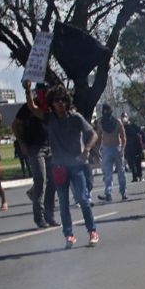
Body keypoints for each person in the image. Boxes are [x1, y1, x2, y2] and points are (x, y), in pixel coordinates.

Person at [23, 82, 100, 247]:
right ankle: (69, 235)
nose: (59, 103)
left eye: (62, 100)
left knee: (83, 199)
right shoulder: (49, 119)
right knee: (63, 203)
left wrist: (86, 149)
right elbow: (32, 107)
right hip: (59, 167)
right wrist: (28, 90)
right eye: (56, 100)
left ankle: (92, 231)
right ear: (51, 102)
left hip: (77, 165)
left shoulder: (76, 118)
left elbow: (93, 134)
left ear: (67, 101)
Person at [13, 87, 56, 226]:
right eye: (42, 91)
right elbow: (15, 125)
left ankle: (50, 215)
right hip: (34, 147)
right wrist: (22, 143)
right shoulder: (28, 107)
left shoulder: (51, 106)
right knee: (40, 180)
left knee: (53, 181)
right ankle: (39, 217)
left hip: (50, 146)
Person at [97, 104, 128, 202]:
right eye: (105, 111)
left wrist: (122, 149)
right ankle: (108, 193)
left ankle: (123, 192)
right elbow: (98, 136)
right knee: (107, 173)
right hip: (106, 149)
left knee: (121, 172)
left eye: (108, 110)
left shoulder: (117, 122)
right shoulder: (100, 122)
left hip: (116, 147)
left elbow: (123, 137)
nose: (106, 113)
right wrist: (97, 150)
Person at [122, 112, 145, 183]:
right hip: (128, 148)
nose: (124, 118)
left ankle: (140, 176)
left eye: (125, 116)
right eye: (122, 116)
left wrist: (144, 142)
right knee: (130, 163)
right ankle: (134, 177)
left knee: (138, 162)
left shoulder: (133, 126)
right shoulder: (121, 128)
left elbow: (141, 133)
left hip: (136, 147)